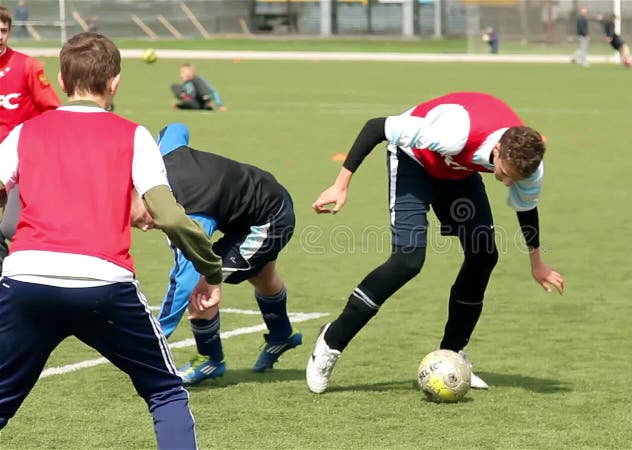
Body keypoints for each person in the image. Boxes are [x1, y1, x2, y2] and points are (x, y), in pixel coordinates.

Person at [0, 32, 223, 448]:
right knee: (164, 391)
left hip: (26, 279)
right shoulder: (134, 135)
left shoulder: (24, 133)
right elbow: (171, 216)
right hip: (103, 284)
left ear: (63, 83)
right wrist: (211, 270)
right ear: (115, 82)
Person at [305, 92, 565, 394]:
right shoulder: (453, 132)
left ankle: (453, 354)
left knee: (483, 255)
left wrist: (537, 262)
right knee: (407, 261)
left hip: (457, 173)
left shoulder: (528, 166)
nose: (507, 183)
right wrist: (340, 185)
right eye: (504, 174)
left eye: (513, 179)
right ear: (497, 150)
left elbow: (526, 207)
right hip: (414, 161)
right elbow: (375, 127)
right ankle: (331, 342)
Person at [135, 123, 301, 385]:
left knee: (200, 286)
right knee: (262, 276)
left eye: (143, 219)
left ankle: (211, 360)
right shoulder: (162, 159)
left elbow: (182, 282)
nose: (145, 227)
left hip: (270, 220)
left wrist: (152, 338)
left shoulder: (190, 216)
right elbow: (176, 128)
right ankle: (282, 334)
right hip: (260, 196)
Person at [0, 5, 61, 268]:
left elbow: (52, 111)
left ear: (10, 32)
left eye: (3, 30)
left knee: (16, 227)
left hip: (20, 163)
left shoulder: (27, 66)